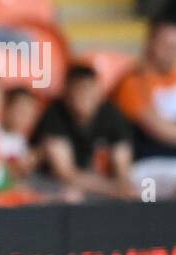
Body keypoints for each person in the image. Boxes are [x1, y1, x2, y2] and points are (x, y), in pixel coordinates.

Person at [113, 18, 176, 197]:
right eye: (167, 45)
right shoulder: (134, 82)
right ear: (150, 43)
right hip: (149, 167)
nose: (173, 52)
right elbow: (158, 128)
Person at [31, 64, 137, 200]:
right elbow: (65, 172)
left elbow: (122, 162)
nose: (85, 96)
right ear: (67, 93)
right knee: (71, 195)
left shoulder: (112, 114)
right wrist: (112, 189)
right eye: (79, 90)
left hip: (97, 181)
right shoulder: (55, 115)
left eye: (89, 89)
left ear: (99, 91)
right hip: (50, 182)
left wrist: (123, 186)